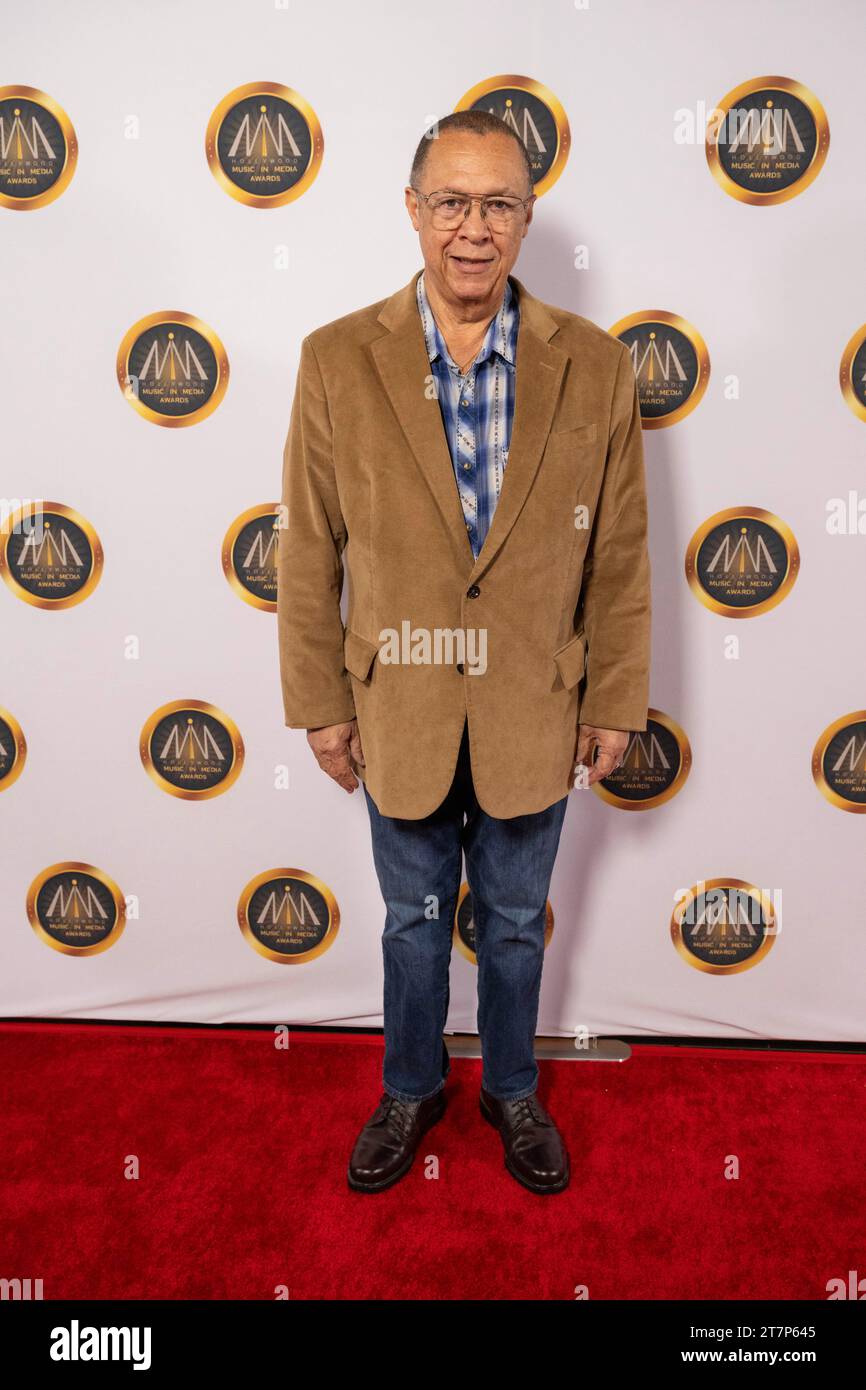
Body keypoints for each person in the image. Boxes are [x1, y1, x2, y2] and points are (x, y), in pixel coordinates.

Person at [277, 109, 651, 1195]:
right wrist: (318, 699)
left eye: (496, 204)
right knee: (408, 922)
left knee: (517, 927)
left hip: (537, 705)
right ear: (413, 211)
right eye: (450, 202)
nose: (472, 229)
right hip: (396, 706)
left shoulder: (596, 364)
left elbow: (619, 552)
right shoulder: (336, 360)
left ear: (526, 217)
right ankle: (408, 1083)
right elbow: (311, 547)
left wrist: (615, 694)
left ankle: (512, 1085)